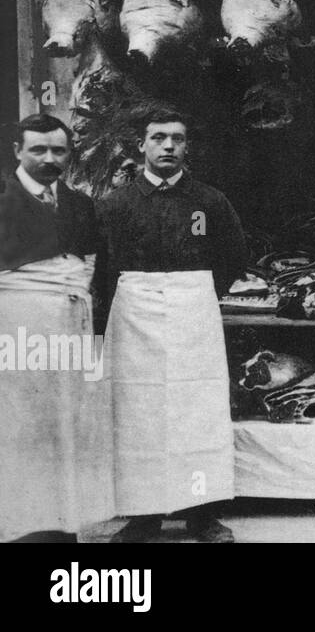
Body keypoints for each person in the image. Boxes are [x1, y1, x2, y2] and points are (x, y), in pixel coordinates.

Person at [97, 107, 248, 543]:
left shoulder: (209, 201)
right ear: (140, 146)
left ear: (187, 147)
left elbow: (234, 255)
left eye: (177, 139)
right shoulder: (116, 203)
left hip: (193, 311)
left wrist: (195, 290)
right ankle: (144, 516)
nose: (168, 146)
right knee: (139, 412)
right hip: (134, 312)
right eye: (159, 138)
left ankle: (202, 515)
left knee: (197, 411)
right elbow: (102, 264)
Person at [0, 114, 114, 543]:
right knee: (17, 425)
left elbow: (98, 276)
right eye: (38, 150)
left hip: (71, 325)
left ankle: (63, 522)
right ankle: (19, 525)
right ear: (17, 150)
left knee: (68, 423)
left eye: (59, 151)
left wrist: (96, 348)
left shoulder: (81, 204)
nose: (50, 159)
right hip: (13, 328)